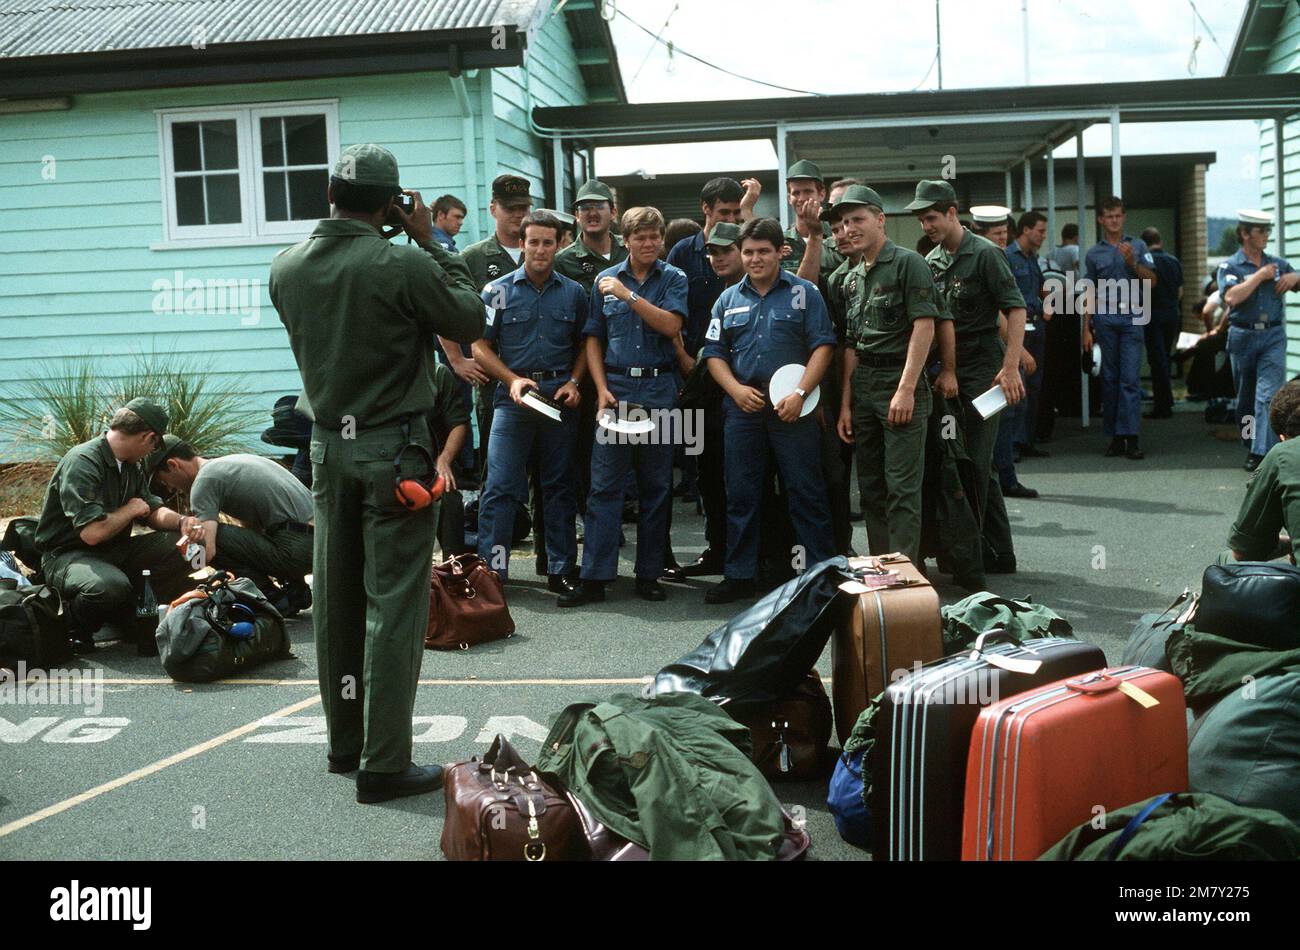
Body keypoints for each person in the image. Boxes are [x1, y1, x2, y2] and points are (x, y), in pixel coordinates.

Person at [270, 143, 484, 803]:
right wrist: (431, 241)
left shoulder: (286, 268)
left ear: (328, 195)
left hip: (329, 448)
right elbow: (470, 317)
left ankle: (345, 742)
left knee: (336, 599)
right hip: (394, 449)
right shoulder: (404, 262)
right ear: (393, 202)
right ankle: (384, 762)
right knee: (393, 605)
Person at [701, 217, 836, 604]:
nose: (755, 259)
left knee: (805, 491)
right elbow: (714, 354)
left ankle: (821, 575)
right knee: (741, 493)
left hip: (793, 408)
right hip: (743, 407)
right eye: (748, 252)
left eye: (763, 251)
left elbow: (823, 346)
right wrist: (735, 390)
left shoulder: (804, 292)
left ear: (781, 252)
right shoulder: (728, 299)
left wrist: (800, 393)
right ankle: (740, 575)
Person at [560, 207, 688, 607]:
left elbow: (671, 326)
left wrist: (628, 295)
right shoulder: (604, 279)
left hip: (659, 387)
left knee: (656, 486)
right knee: (605, 485)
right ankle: (596, 575)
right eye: (640, 237)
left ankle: (648, 573)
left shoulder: (673, 278)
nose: (648, 244)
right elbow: (593, 338)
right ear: (626, 240)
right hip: (616, 386)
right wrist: (599, 388)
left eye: (654, 237)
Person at [908, 180, 1026, 572]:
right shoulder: (933, 261)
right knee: (960, 461)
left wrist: (1010, 367)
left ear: (952, 213)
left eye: (931, 217)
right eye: (922, 219)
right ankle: (992, 551)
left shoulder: (986, 254)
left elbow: (1014, 310)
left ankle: (976, 554)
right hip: (948, 371)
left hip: (984, 372)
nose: (926, 225)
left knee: (976, 460)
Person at [472, 211, 586, 594]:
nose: (540, 249)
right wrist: (511, 379)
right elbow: (479, 345)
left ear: (559, 245)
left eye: (548, 242)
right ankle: (493, 573)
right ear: (520, 244)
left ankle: (560, 568)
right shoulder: (498, 290)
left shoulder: (573, 292)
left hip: (557, 399)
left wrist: (574, 381)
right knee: (502, 487)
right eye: (533, 242)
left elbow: (587, 344)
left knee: (558, 486)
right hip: (514, 400)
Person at [34, 398, 200, 654]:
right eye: (155, 445)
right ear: (149, 437)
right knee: (108, 587)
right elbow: (92, 533)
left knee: (187, 549)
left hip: (114, 550)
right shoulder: (83, 462)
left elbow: (151, 509)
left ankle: (130, 613)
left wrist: (182, 522)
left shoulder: (131, 464)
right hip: (69, 555)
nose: (152, 453)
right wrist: (131, 509)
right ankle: (72, 625)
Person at [833, 186, 943, 564]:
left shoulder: (909, 263)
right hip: (864, 386)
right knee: (871, 489)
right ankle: (882, 568)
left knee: (901, 488)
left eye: (858, 219)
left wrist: (906, 389)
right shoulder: (851, 276)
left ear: (880, 219)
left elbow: (925, 326)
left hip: (900, 382)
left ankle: (905, 574)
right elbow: (851, 344)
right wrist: (846, 404)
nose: (850, 228)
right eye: (845, 222)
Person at [147, 435, 315, 615]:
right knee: (236, 537)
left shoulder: (203, 482)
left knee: (209, 537)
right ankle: (294, 588)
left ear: (173, 465)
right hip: (319, 543)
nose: (171, 489)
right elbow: (252, 530)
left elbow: (208, 550)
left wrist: (174, 573)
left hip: (296, 548)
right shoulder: (231, 463)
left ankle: (268, 596)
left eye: (164, 481)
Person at [665, 221, 747, 584]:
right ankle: (718, 550)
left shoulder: (751, 290)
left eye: (726, 250)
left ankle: (749, 559)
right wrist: (683, 356)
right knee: (708, 476)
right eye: (712, 251)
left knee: (743, 479)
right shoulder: (707, 282)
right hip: (702, 390)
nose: (718, 258)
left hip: (742, 394)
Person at [453, 175, 534, 485]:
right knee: (498, 468)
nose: (518, 214)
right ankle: (504, 531)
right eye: (510, 208)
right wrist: (458, 361)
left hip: (542, 376)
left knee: (544, 465)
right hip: (493, 380)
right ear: (493, 209)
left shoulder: (541, 250)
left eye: (523, 207)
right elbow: (445, 312)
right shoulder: (472, 259)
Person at [1218, 209, 1299, 472]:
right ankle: (1250, 440)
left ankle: (1261, 452)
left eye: (1268, 231)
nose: (1266, 236)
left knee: (1267, 396)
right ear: (1244, 233)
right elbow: (1231, 298)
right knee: (1246, 399)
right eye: (1261, 231)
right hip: (1243, 335)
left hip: (1272, 336)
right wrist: (1259, 276)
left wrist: (1295, 276)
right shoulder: (1230, 266)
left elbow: (1296, 277)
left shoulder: (1277, 263)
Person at [1082, 196, 1158, 460]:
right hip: (1105, 316)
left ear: (1124, 217)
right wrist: (1086, 329)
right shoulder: (1094, 253)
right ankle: (1115, 437)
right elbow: (1089, 290)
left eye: (1118, 215)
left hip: (1132, 315)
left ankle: (1132, 437)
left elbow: (1153, 281)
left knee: (1130, 379)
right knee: (1110, 379)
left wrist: (1132, 264)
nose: (1114, 220)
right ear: (1101, 219)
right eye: (1109, 216)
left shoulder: (1138, 245)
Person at [1002, 211, 1051, 496]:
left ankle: (1026, 439)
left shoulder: (1033, 258)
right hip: (1017, 329)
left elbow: (1041, 287)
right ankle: (1013, 445)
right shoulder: (1008, 257)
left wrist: (1048, 304)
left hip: (1036, 326)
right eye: (1040, 231)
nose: (1043, 236)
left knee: (1033, 386)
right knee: (1016, 387)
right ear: (1025, 230)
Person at [1228, 377, 1300, 562]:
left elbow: (1244, 550)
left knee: (1227, 561)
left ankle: (1253, 448)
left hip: (1254, 424)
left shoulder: (1283, 454)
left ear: (1283, 437)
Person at [1141, 227, 1185, 420]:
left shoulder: (1146, 262)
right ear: (1160, 241)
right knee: (1165, 357)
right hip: (1172, 312)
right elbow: (1180, 291)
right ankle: (1166, 399)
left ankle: (1162, 406)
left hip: (1152, 313)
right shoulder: (1174, 261)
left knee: (1157, 360)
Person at [781, 160, 844, 277]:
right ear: (789, 198)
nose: (801, 198)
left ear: (822, 194)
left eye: (808, 191)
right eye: (796, 193)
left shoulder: (837, 236)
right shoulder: (780, 243)